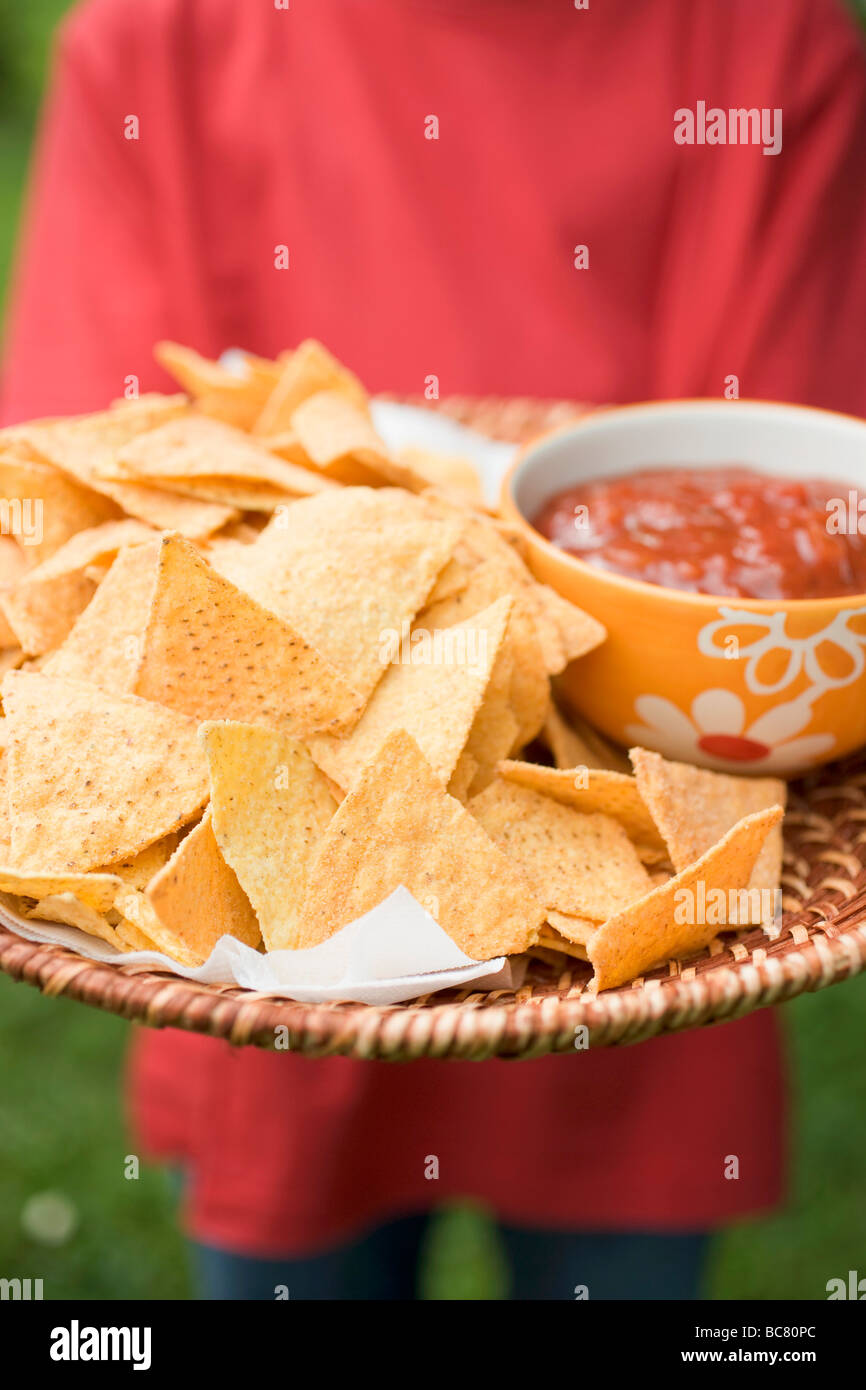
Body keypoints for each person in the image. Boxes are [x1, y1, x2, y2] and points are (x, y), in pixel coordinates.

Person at [3, 0, 865, 1301]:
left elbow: (778, 504)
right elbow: (77, 513)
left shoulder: (765, 46)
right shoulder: (157, 43)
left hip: (644, 919)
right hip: (252, 945)